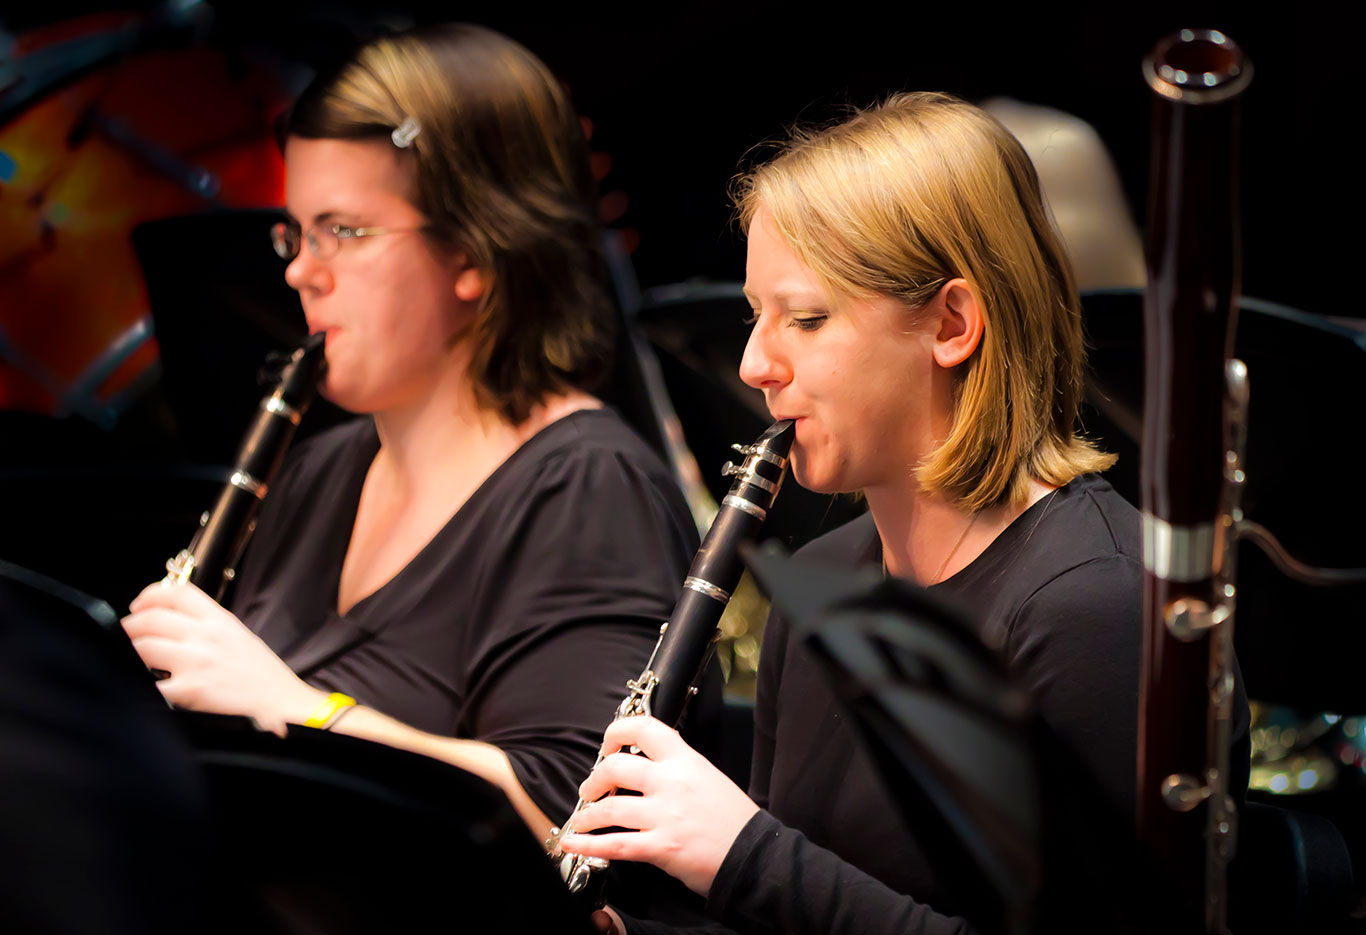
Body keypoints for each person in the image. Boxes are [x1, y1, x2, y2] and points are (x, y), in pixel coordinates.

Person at [558, 92, 1250, 933]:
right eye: (755, 314)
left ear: (952, 324)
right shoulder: (818, 584)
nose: (752, 364)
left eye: (805, 318)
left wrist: (745, 856)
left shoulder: (1098, 607)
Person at [120, 23, 712, 843]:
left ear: (473, 250)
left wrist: (301, 710)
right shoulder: (315, 470)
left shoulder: (588, 488)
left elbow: (578, 817)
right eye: (296, 232)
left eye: (344, 231)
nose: (300, 270)